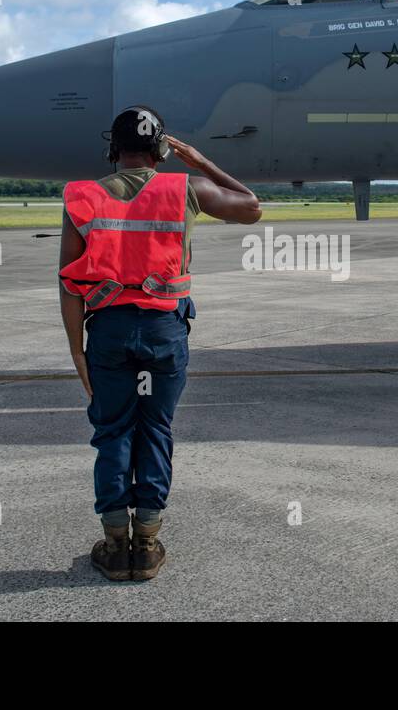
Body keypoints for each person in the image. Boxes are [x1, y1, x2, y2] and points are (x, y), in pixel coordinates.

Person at [58, 106, 261, 581]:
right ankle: (147, 544)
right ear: (161, 149)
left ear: (114, 149)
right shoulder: (185, 190)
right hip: (163, 334)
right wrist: (203, 162)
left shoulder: (83, 197)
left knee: (112, 432)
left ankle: (114, 545)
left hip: (107, 333)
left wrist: (76, 350)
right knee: (156, 430)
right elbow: (251, 205)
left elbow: (68, 282)